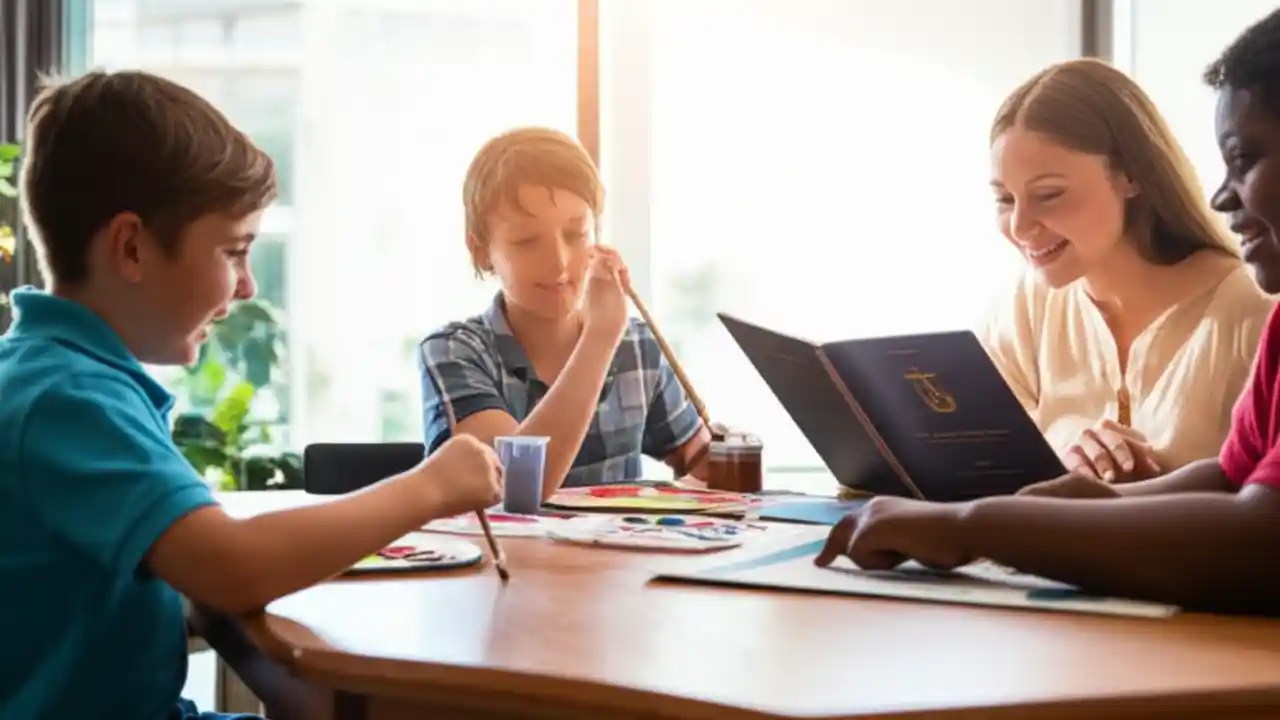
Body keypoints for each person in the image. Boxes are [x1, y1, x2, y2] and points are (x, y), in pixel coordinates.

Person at [0, 70, 504, 720]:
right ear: (131, 248)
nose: (246, 288)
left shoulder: (55, 375)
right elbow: (230, 567)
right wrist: (432, 485)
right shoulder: (66, 399)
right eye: (234, 252)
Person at [817, 15, 1280, 614]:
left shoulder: (1245, 307)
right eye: (1004, 199)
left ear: (1133, 174)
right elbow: (1228, 477)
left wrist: (974, 527)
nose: (1224, 197)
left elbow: (1262, 536)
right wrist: (1070, 504)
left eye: (1244, 161)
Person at [980, 57, 1273, 484]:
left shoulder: (1253, 310)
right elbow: (983, 463)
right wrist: (1066, 453)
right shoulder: (1026, 306)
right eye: (1005, 199)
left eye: (1048, 194)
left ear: (1131, 176)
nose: (1020, 227)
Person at [418, 127, 715, 497]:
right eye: (527, 242)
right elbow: (510, 486)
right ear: (481, 251)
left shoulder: (636, 346)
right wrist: (599, 337)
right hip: (511, 556)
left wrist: (727, 455)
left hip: (616, 554)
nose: (558, 262)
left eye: (576, 236)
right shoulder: (453, 351)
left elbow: (702, 463)